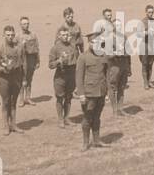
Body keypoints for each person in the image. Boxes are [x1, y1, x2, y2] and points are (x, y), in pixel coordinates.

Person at [73, 21, 112, 151]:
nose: (97, 44)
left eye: (99, 42)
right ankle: (85, 143)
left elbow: (106, 75)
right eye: (94, 42)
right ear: (89, 43)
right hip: (89, 93)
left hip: (100, 92)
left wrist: (107, 93)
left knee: (97, 117)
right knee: (87, 117)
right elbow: (78, 78)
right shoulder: (83, 58)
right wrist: (81, 94)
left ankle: (96, 140)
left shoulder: (103, 55)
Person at [0, 24, 25, 135]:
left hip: (16, 77)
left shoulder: (19, 47)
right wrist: (4, 68)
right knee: (6, 102)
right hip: (4, 79)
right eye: (8, 35)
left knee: (14, 102)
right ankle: (6, 126)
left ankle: (14, 125)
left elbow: (22, 64)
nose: (10, 37)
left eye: (12, 35)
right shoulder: (0, 49)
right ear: (4, 35)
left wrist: (23, 79)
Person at [48, 27, 79, 127]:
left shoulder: (73, 47)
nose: (65, 37)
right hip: (60, 75)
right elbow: (50, 65)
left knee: (69, 97)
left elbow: (78, 61)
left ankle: (67, 118)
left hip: (71, 74)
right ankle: (60, 119)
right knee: (60, 98)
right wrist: (58, 61)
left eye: (66, 35)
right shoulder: (55, 48)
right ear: (59, 36)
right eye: (63, 35)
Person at [17, 16, 40, 106]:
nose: (26, 25)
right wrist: (21, 46)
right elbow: (15, 50)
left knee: (29, 79)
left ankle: (28, 98)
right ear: (20, 25)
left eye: (27, 24)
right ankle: (21, 99)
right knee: (22, 79)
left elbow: (37, 48)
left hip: (31, 59)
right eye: (24, 24)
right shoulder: (17, 36)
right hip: (22, 60)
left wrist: (38, 61)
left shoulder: (33, 35)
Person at [140, 4, 154, 88]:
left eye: (152, 12)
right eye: (149, 12)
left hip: (152, 45)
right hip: (144, 45)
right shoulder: (143, 21)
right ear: (146, 12)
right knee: (144, 64)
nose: (151, 14)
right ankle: (145, 82)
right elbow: (139, 34)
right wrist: (147, 32)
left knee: (150, 64)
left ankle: (149, 80)